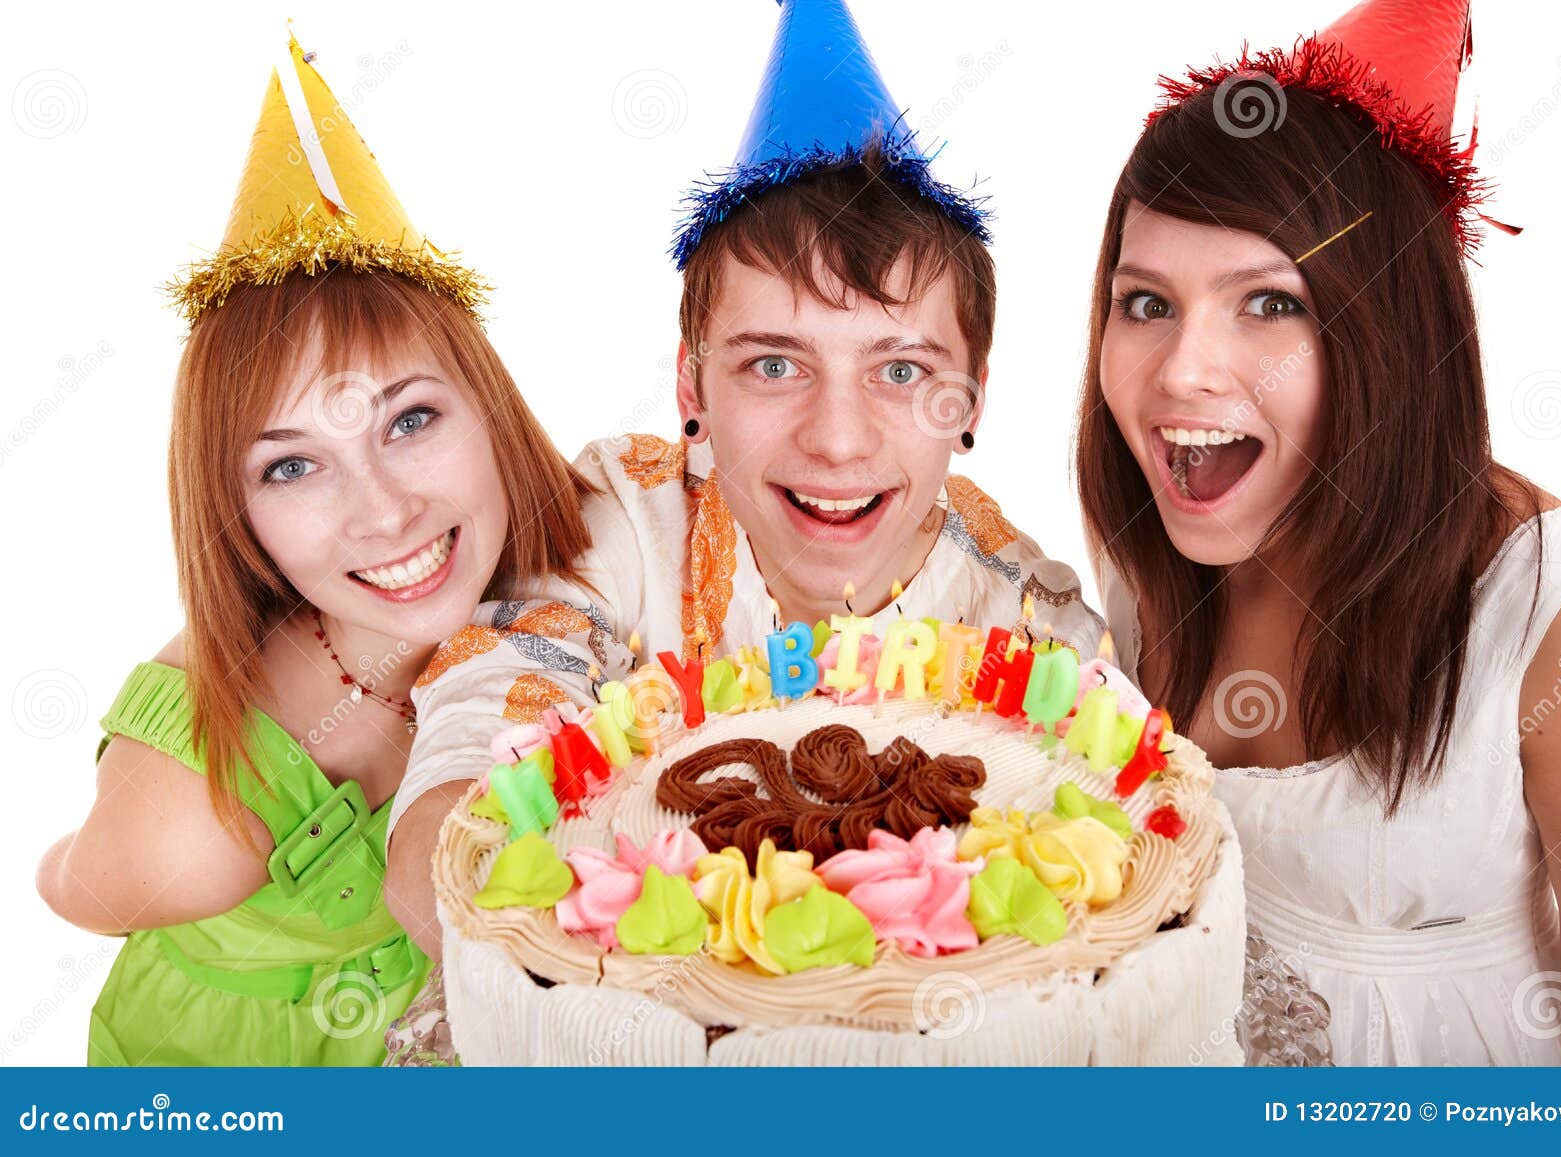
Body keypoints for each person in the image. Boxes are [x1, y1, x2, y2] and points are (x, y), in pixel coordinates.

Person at [382, 0, 1105, 1050]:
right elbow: (484, 725)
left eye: (901, 369)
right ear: (691, 383)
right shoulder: (619, 519)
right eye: (774, 364)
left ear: (973, 398)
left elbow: (1124, 872)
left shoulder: (1031, 623)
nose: (839, 440)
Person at [34, 31, 592, 1065]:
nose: (383, 514)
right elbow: (67, 886)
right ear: (232, 512)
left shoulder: (577, 591)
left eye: (410, 420)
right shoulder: (194, 825)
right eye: (292, 466)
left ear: (492, 412)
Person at [1078, 0, 1561, 1064]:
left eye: (1267, 303)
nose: (1182, 370)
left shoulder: (1554, 612)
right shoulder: (1148, 556)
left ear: (1390, 333)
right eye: (1146, 303)